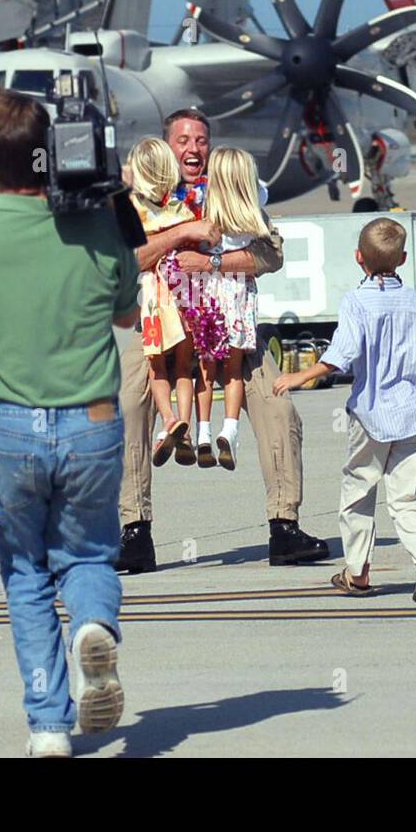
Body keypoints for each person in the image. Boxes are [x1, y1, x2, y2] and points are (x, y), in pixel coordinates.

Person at [0, 89, 139, 758]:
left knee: (24, 572)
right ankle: (92, 625)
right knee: (86, 553)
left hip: (11, 426)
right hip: (93, 418)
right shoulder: (97, 227)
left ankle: (49, 725)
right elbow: (126, 313)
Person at [116, 108, 329, 574]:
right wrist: (182, 233)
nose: (193, 149)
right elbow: (128, 260)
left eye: (201, 141)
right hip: (164, 325)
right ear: (165, 146)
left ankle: (284, 528)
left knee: (279, 409)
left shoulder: (229, 190)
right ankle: (135, 533)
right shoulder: (144, 200)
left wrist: (212, 263)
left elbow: (269, 254)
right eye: (183, 140)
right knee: (127, 404)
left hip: (227, 326)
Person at [273, 217, 416, 602]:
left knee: (358, 490)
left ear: (358, 258)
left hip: (371, 414)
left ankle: (358, 572)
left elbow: (343, 354)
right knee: (409, 495)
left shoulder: (356, 301)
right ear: (402, 259)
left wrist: (299, 377)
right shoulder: (415, 300)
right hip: (414, 412)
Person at [192, 147, 270, 471]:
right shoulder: (252, 211)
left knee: (206, 370)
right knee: (234, 370)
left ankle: (203, 433)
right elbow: (263, 189)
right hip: (239, 293)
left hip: (210, 293)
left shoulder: (207, 209)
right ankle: (231, 429)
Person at [125, 138, 197, 467]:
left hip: (155, 298)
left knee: (158, 367)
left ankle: (168, 419)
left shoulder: (134, 210)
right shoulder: (181, 209)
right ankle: (186, 424)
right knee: (184, 366)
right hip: (187, 295)